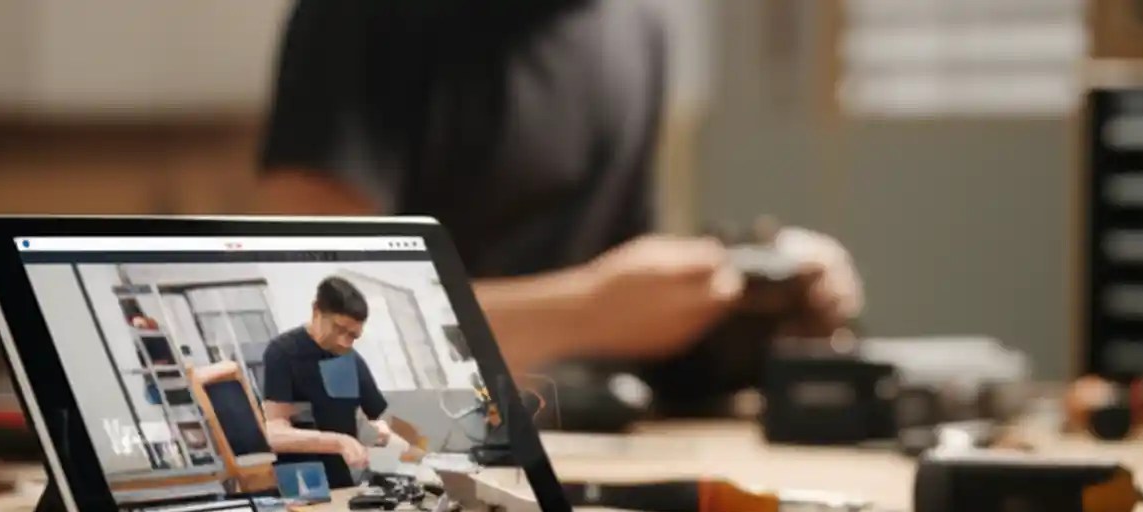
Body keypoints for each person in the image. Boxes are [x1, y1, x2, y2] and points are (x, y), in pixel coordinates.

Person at [256, 0, 863, 381]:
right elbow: (316, 321)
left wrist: (758, 297)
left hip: (585, 441)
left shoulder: (635, 26)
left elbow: (628, 307)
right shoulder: (358, 18)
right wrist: (587, 311)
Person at [261, 276, 397, 488]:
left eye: (353, 336)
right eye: (339, 329)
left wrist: (384, 434)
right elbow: (274, 433)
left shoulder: (350, 360)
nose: (344, 342)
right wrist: (338, 442)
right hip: (302, 482)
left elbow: (380, 419)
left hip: (344, 481)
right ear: (316, 311)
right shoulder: (283, 353)